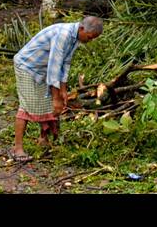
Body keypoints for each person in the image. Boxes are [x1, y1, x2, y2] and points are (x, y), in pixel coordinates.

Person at [10, 15, 103, 162]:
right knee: (26, 107)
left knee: (47, 105)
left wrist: (63, 91)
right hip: (27, 66)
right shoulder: (63, 35)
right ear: (82, 28)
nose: (89, 40)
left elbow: (65, 64)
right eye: (90, 37)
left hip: (43, 70)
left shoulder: (75, 38)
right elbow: (54, 66)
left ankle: (43, 140)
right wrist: (56, 97)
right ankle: (17, 148)